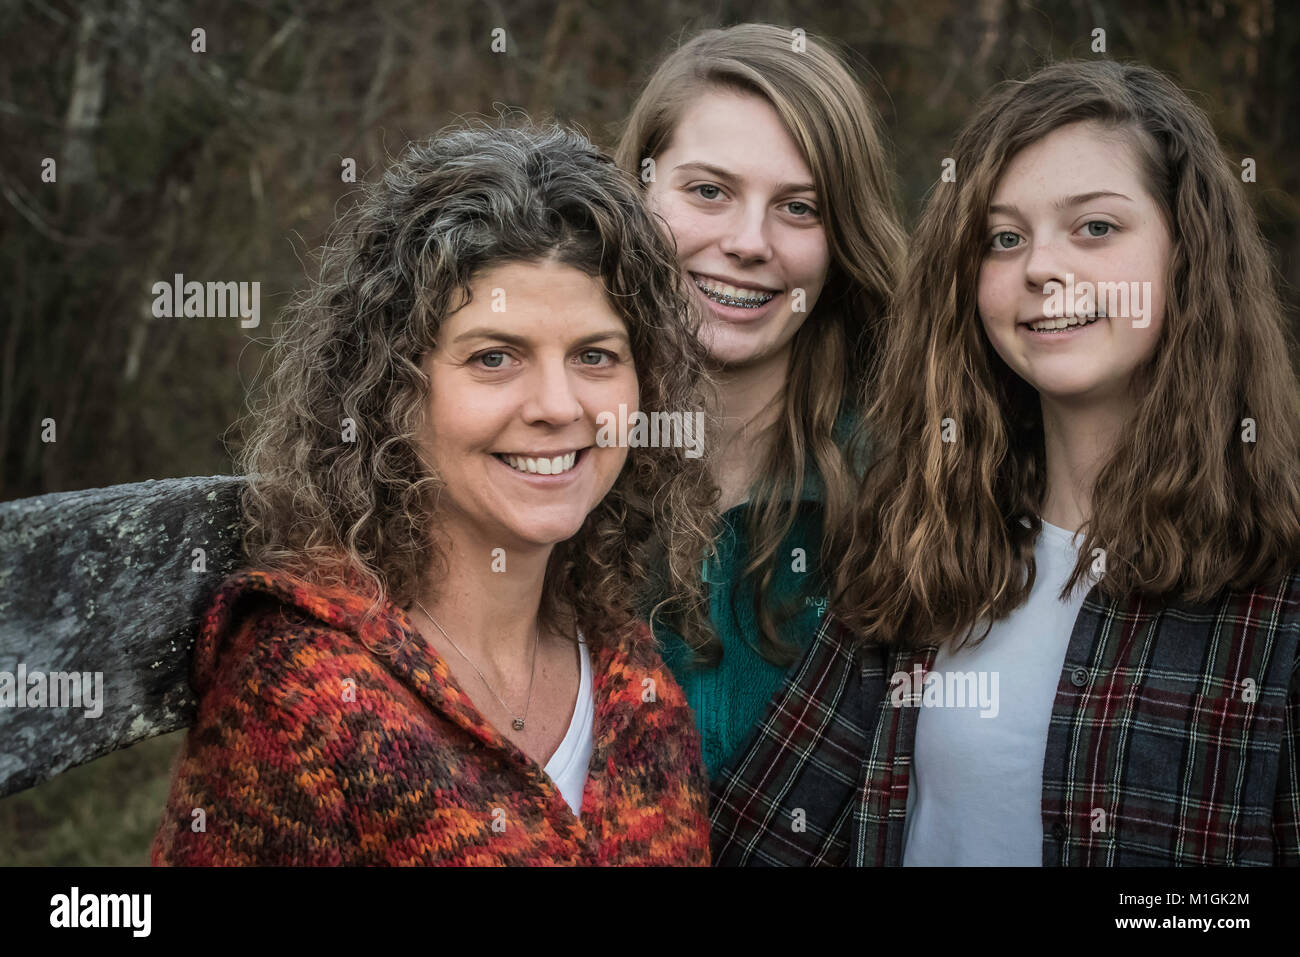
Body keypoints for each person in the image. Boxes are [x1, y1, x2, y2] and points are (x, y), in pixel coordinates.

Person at [710, 58, 1300, 866]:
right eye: (1004, 237)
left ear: (1188, 251)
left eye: (1095, 227)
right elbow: (757, 842)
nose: (1041, 268)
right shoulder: (917, 541)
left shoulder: (1277, 592)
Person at [151, 121, 718, 865]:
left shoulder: (631, 676)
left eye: (595, 355)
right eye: (494, 356)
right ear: (393, 392)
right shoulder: (302, 700)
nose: (557, 404)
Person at [614, 22, 904, 783]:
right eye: (708, 191)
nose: (748, 241)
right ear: (635, 195)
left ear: (843, 241)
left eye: (800, 208)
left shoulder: (915, 492)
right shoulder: (545, 468)